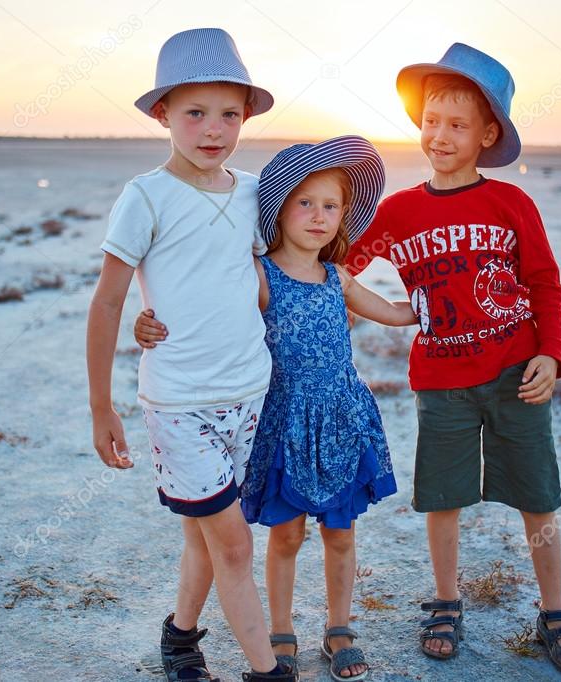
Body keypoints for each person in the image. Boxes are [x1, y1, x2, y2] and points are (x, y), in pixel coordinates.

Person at [346, 43, 561, 675]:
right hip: (441, 381)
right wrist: (383, 313)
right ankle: (447, 601)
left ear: (487, 134)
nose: (440, 135)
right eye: (431, 120)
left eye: (457, 124)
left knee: (538, 494)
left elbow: (545, 283)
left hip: (516, 373)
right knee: (443, 497)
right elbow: (337, 270)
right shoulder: (399, 211)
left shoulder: (511, 204)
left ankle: (555, 610)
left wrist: (552, 353)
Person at [135, 136, 415, 681]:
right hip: (283, 423)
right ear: (279, 209)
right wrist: (148, 321)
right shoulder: (261, 276)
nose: (317, 216)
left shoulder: (339, 276)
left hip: (339, 419)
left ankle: (339, 630)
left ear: (343, 218)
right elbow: (204, 306)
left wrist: (435, 311)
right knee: (286, 535)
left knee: (341, 532)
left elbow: (388, 310)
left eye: (330, 206)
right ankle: (280, 632)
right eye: (304, 203)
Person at [86, 27, 295, 682]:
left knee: (204, 538)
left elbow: (260, 281)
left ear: (246, 116)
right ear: (162, 115)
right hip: (179, 402)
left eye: (229, 113)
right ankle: (268, 672)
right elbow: (108, 303)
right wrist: (101, 407)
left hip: (247, 394)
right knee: (232, 544)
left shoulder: (252, 192)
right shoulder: (144, 196)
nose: (214, 129)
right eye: (195, 113)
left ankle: (179, 640)